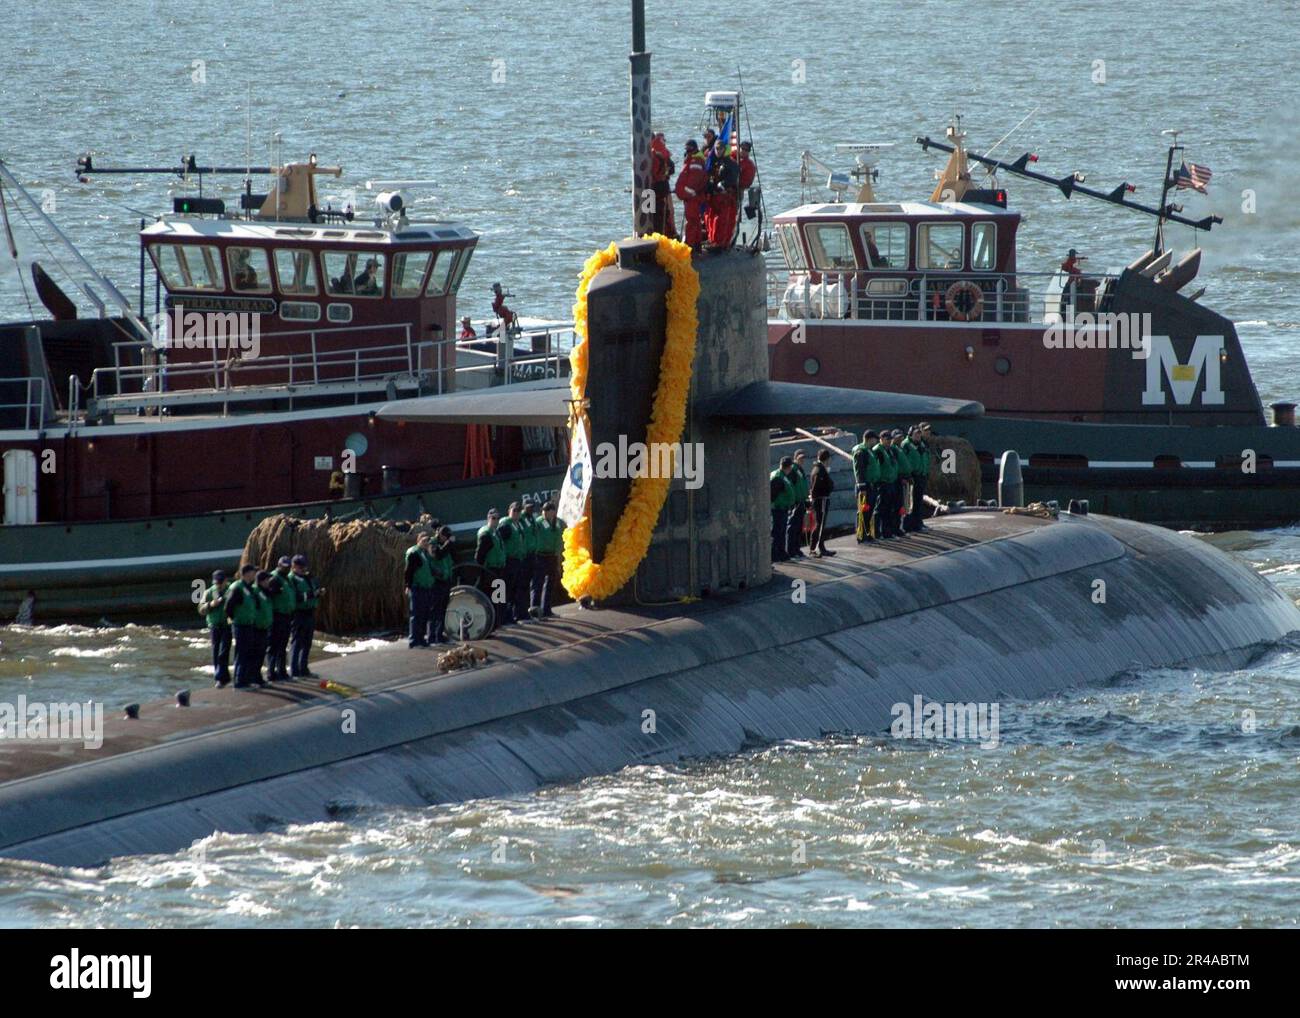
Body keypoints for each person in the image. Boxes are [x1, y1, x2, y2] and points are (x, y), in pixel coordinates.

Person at [224, 564, 267, 688]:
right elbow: (228, 607)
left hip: (249, 624)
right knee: (241, 653)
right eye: (253, 572)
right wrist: (235, 619)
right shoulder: (238, 588)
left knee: (248, 652)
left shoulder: (249, 588)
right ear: (247, 573)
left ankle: (246, 678)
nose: (254, 574)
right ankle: (239, 680)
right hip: (240, 625)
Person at [496, 502, 531, 624]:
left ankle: (520, 614)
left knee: (519, 588)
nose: (516, 513)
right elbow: (499, 540)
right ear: (509, 511)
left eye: (518, 511)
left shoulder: (518, 524)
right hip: (510, 560)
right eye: (514, 510)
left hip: (519, 559)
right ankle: (506, 617)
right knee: (508, 590)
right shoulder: (506, 524)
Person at [288, 554, 322, 678]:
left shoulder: (308, 577)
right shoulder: (291, 579)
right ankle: (294, 670)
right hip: (299, 614)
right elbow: (296, 598)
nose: (303, 569)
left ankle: (304, 668)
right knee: (297, 642)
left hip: (309, 612)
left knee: (307, 642)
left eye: (304, 566)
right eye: (300, 567)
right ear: (294, 566)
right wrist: (312, 594)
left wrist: (318, 593)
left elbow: (313, 590)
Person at [475, 507, 509, 624]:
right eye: (493, 518)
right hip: (491, 569)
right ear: (488, 519)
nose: (496, 520)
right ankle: (493, 621)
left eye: (497, 518)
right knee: (492, 597)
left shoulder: (496, 532)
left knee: (500, 596)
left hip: (499, 567)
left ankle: (500, 620)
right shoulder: (486, 533)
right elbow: (480, 555)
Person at [704, 140, 739, 250]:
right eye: (716, 149)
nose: (718, 151)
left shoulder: (731, 163)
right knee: (711, 218)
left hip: (725, 196)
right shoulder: (715, 163)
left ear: (724, 149)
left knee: (722, 219)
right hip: (715, 196)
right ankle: (713, 240)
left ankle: (720, 242)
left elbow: (732, 178)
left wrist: (722, 185)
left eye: (720, 149)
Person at [532, 500, 565, 618]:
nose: (545, 513)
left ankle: (546, 610)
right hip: (540, 555)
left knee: (550, 583)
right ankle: (535, 610)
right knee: (538, 583)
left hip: (552, 556)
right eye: (544, 511)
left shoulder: (557, 523)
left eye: (548, 511)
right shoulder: (539, 522)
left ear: (553, 512)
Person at [267, 556, 297, 681]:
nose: (286, 568)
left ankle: (282, 671)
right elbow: (269, 596)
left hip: (286, 615)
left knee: (283, 645)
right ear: (279, 565)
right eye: (284, 566)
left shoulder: (287, 578)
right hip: (276, 616)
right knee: (274, 645)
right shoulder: (274, 578)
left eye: (288, 566)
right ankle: (271, 672)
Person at [199, 571, 231, 687]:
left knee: (224, 651)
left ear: (225, 581)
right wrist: (211, 604)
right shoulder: (209, 592)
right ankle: (221, 677)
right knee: (216, 651)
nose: (219, 585)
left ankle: (222, 677)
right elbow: (201, 609)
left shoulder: (230, 590)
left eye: (221, 582)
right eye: (217, 583)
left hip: (227, 624)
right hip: (214, 625)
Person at [674, 140, 709, 250]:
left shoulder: (696, 161)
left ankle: (690, 245)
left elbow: (694, 181)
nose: (687, 151)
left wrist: (685, 193)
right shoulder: (694, 160)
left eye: (689, 148)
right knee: (695, 221)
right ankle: (696, 244)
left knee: (692, 221)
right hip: (692, 196)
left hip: (692, 197)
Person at [405, 532, 437, 648]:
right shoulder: (414, 553)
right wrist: (408, 586)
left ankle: (422, 638)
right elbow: (409, 571)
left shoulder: (424, 553)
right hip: (417, 587)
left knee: (424, 614)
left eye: (427, 541)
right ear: (418, 540)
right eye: (424, 541)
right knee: (416, 615)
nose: (426, 543)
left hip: (426, 587)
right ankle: (414, 640)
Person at [871, 430, 900, 539]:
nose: (889, 442)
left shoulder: (890, 450)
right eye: (887, 440)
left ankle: (887, 532)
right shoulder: (878, 451)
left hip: (891, 482)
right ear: (881, 439)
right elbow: (875, 467)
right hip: (883, 483)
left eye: (890, 440)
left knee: (889, 509)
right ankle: (876, 533)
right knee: (879, 509)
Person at [851, 430, 880, 541]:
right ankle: (861, 535)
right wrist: (862, 486)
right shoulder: (861, 451)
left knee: (869, 511)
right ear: (869, 439)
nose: (876, 441)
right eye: (874, 439)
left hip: (871, 485)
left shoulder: (869, 450)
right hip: (864, 487)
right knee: (863, 511)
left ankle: (867, 533)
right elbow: (859, 470)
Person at [429, 526, 455, 643]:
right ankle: (432, 636)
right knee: (435, 610)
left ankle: (439, 634)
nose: (448, 539)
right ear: (441, 535)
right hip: (437, 582)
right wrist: (449, 544)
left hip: (445, 580)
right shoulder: (432, 544)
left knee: (443, 609)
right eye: (447, 537)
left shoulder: (445, 544)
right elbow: (437, 555)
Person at [808, 448, 835, 557]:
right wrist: (814, 498)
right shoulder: (819, 470)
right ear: (827, 459)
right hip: (821, 500)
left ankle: (821, 547)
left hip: (821, 499)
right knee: (819, 524)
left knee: (821, 524)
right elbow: (815, 487)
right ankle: (813, 549)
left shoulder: (819, 468)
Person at [650, 131, 677, 239]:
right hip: (657, 190)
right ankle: (660, 237)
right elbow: (671, 167)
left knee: (653, 218)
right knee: (659, 217)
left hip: (652, 190)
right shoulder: (661, 152)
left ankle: (655, 239)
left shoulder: (654, 152)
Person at [907, 424, 933, 532]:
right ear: (911, 435)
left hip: (921, 476)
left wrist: (926, 473)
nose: (918, 436)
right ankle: (910, 525)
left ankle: (918, 522)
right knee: (910, 503)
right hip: (912, 477)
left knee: (918, 502)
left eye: (919, 434)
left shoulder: (921, 444)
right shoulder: (906, 445)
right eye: (915, 434)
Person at [770, 456, 796, 562]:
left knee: (781, 532)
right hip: (778, 509)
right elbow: (773, 493)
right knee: (777, 532)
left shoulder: (782, 475)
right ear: (788, 467)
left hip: (783, 508)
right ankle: (775, 554)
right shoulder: (778, 476)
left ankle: (781, 552)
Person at [252, 571, 276, 684]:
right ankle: (254, 677)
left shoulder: (265, 592)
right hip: (257, 627)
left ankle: (258, 677)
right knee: (256, 653)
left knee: (261, 652)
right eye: (267, 580)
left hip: (265, 626)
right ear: (262, 581)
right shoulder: (255, 592)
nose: (269, 582)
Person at [786, 449, 811, 559]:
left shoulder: (800, 470)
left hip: (801, 501)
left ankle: (797, 549)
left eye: (803, 458)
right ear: (795, 458)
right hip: (795, 502)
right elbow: (790, 486)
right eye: (800, 458)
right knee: (793, 527)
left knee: (799, 527)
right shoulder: (793, 470)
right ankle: (791, 550)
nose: (802, 460)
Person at [519, 499, 540, 616]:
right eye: (528, 507)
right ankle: (522, 611)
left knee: (533, 583)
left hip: (533, 553)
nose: (530, 509)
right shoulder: (521, 519)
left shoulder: (532, 518)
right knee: (523, 584)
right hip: (525, 554)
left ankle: (532, 609)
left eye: (532, 507)